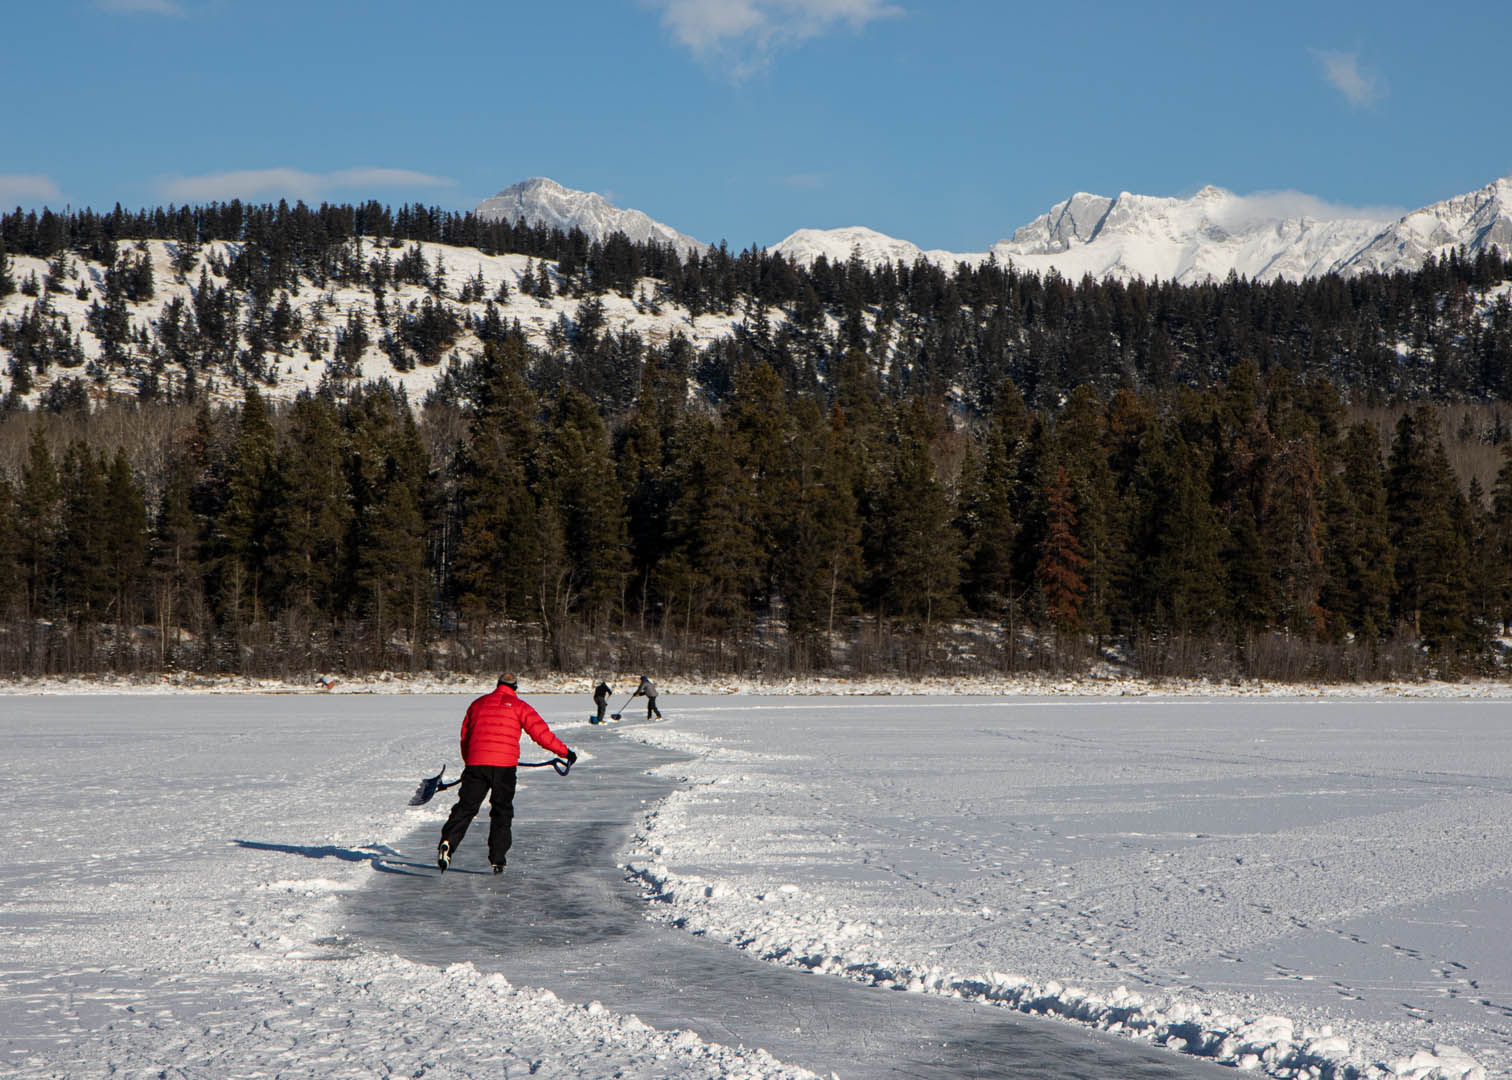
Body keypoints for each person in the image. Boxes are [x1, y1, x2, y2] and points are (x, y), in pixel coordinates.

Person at [437, 674, 575, 874]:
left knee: (466, 807)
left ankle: (448, 841)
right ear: (515, 687)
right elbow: (541, 734)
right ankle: (498, 858)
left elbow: (465, 736)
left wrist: (471, 762)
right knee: (501, 810)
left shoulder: (478, 704)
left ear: (498, 684)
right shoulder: (519, 706)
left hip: (476, 764)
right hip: (504, 768)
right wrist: (565, 752)